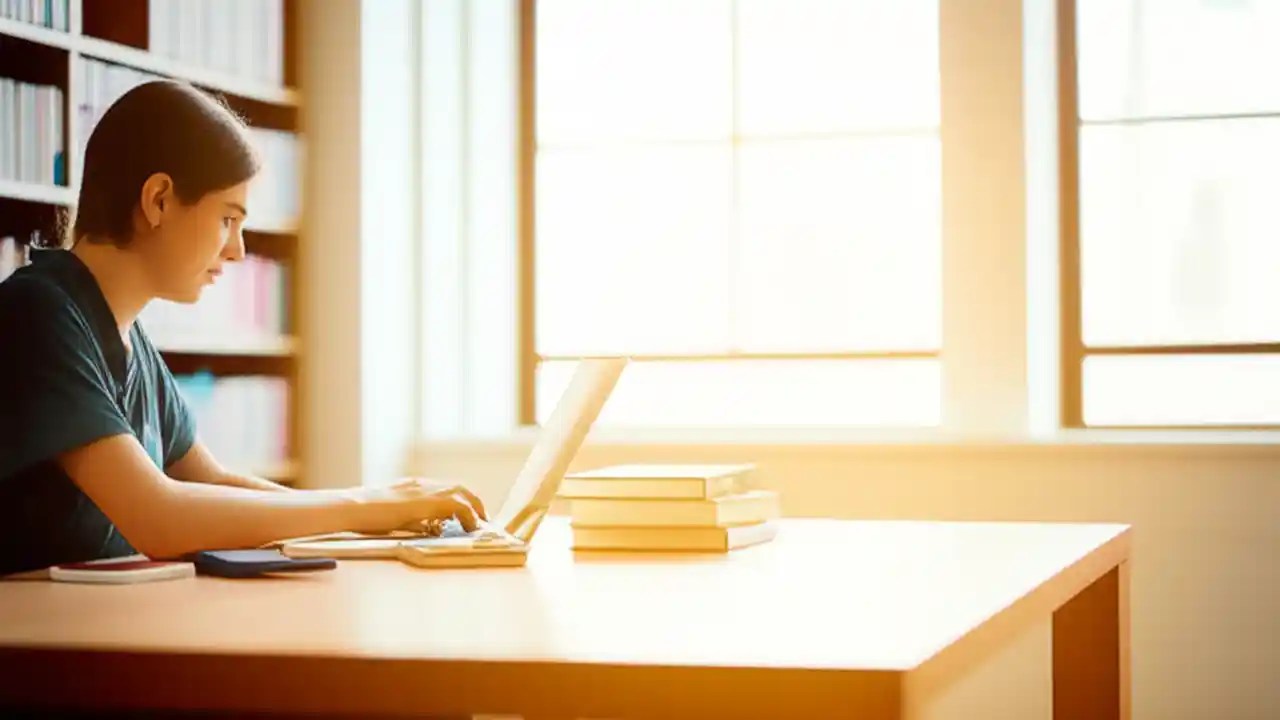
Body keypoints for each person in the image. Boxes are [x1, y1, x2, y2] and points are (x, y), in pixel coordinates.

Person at [0, 80, 485, 575]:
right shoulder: (38, 313)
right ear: (158, 201)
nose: (237, 250)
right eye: (228, 219)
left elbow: (211, 483)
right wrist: (375, 503)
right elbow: (159, 517)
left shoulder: (125, 337)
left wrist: (378, 524)